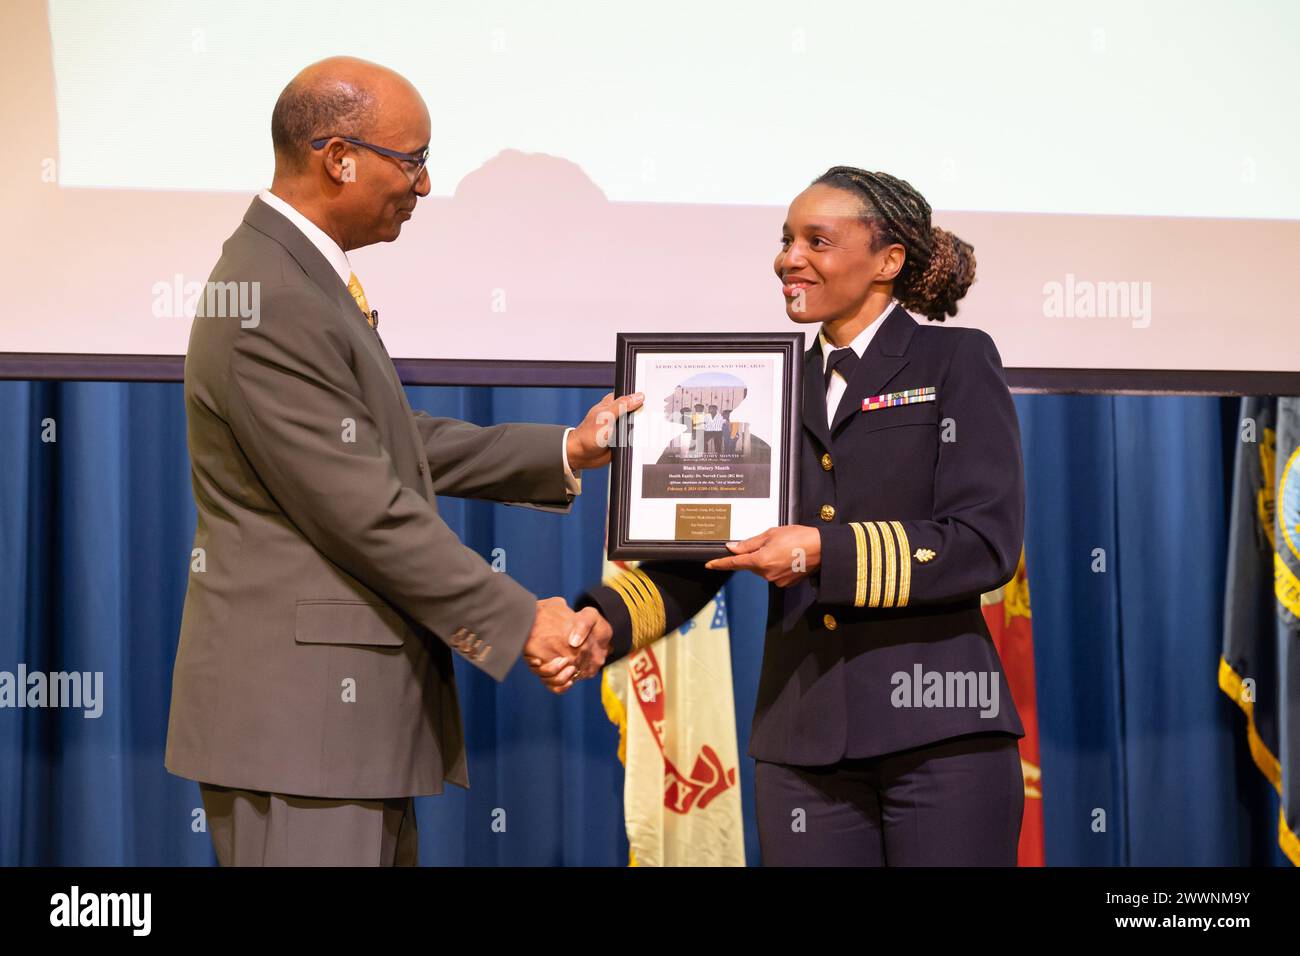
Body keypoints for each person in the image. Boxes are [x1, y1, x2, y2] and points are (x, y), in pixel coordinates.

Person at [165, 57, 632, 866]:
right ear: (338, 156)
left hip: (331, 732)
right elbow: (364, 510)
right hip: (301, 730)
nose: (423, 184)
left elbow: (376, 438)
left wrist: (566, 449)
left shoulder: (294, 275)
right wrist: (525, 621)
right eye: (411, 160)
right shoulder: (270, 294)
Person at [540, 167, 1026, 866]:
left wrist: (823, 550)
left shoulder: (953, 359)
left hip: (941, 736)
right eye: (786, 240)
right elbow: (704, 553)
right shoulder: (763, 386)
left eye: (817, 241)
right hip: (802, 743)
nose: (788, 259)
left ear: (888, 261)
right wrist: (604, 624)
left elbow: (984, 544)